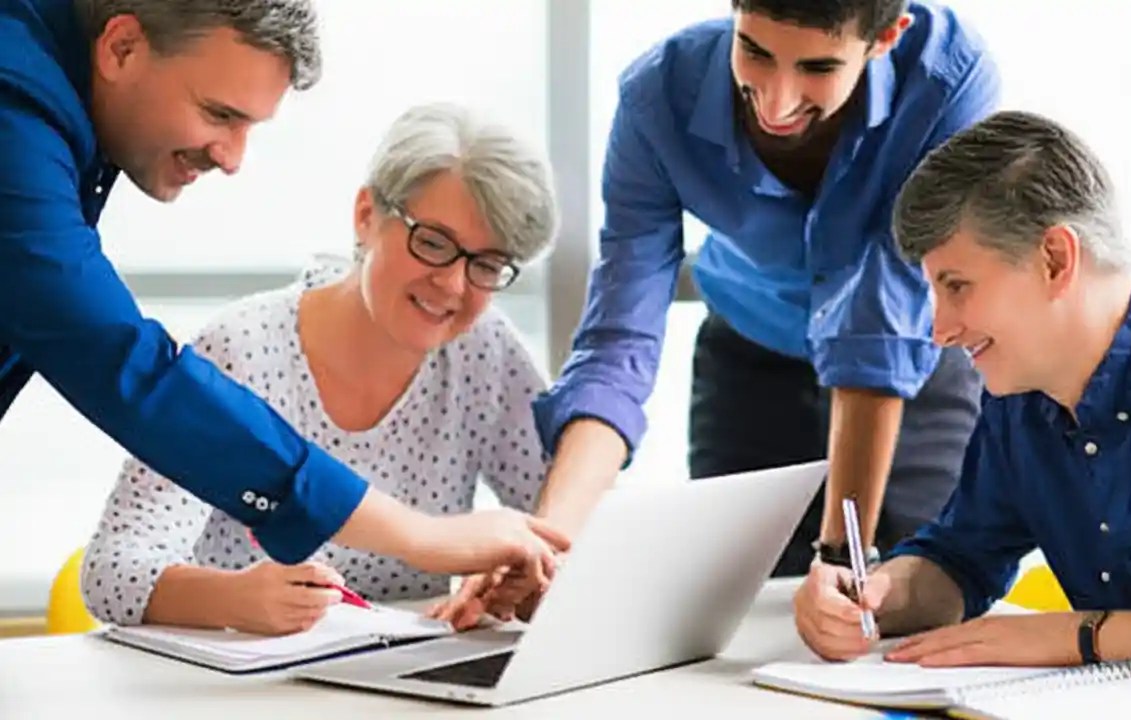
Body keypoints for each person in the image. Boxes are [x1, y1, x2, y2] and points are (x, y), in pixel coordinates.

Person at [434, 0, 1001, 627]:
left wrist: (842, 559)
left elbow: (881, 317)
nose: (777, 102)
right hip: (749, 365)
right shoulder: (659, 96)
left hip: (910, 380)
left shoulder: (947, 80)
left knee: (897, 615)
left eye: (816, 66)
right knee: (731, 627)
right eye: (754, 52)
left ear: (884, 38)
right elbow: (618, 342)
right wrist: (550, 544)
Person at [0, 0, 565, 582]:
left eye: (489, 264)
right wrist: (419, 536)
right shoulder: (14, 114)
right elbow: (123, 364)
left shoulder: (60, 96)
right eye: (218, 114)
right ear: (122, 47)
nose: (233, 158)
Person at [793, 110, 1131, 690]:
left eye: (957, 287)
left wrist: (1086, 636)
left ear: (1055, 259)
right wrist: (875, 595)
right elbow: (962, 558)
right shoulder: (1020, 391)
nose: (938, 330)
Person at [82, 103, 557, 634]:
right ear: (366, 216)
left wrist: (520, 575)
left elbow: (567, 537)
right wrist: (234, 598)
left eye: (486, 265)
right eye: (433, 243)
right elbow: (111, 572)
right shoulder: (244, 349)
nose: (453, 285)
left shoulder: (483, 351)